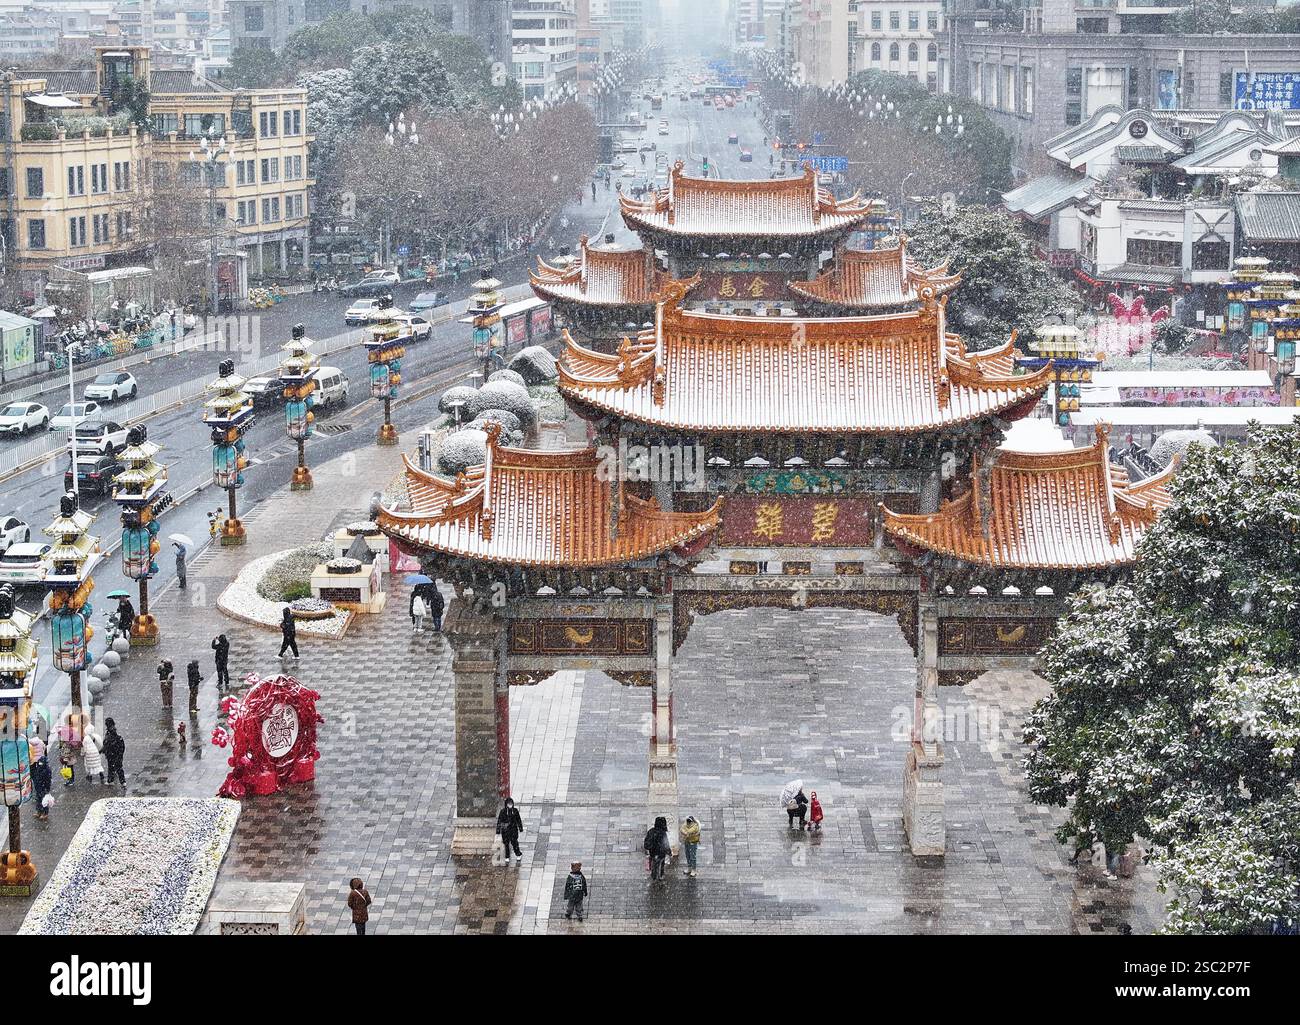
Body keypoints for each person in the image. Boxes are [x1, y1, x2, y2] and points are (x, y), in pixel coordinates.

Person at [497, 797, 524, 864]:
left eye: (511, 804)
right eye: (509, 804)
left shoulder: (515, 811)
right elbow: (499, 821)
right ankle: (507, 856)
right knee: (506, 844)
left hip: (513, 830)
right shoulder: (503, 812)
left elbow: (518, 820)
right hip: (505, 831)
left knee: (514, 843)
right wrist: (498, 830)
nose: (510, 805)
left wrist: (520, 828)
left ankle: (518, 854)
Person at [644, 816, 671, 881]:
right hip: (661, 852)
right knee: (661, 864)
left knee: (654, 863)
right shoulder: (662, 833)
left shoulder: (651, 831)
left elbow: (646, 840)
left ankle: (654, 876)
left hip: (653, 852)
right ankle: (660, 876)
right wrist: (669, 852)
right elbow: (665, 844)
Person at [30, 740, 52, 819]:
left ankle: (44, 812)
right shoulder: (39, 764)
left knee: (42, 797)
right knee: (39, 796)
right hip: (41, 783)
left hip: (42, 784)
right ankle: (40, 811)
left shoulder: (41, 764)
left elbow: (46, 775)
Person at [102, 718, 126, 788]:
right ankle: (122, 781)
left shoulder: (110, 735)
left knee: (112, 767)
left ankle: (112, 780)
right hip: (116, 755)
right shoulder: (117, 737)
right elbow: (121, 747)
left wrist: (105, 750)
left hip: (112, 755)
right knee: (118, 768)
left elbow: (107, 744)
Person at [82, 719, 106, 785]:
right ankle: (101, 775)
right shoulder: (97, 736)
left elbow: (84, 747)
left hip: (89, 754)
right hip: (96, 753)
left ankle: (90, 776)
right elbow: (100, 744)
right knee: (97, 764)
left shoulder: (86, 738)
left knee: (89, 765)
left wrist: (83, 753)